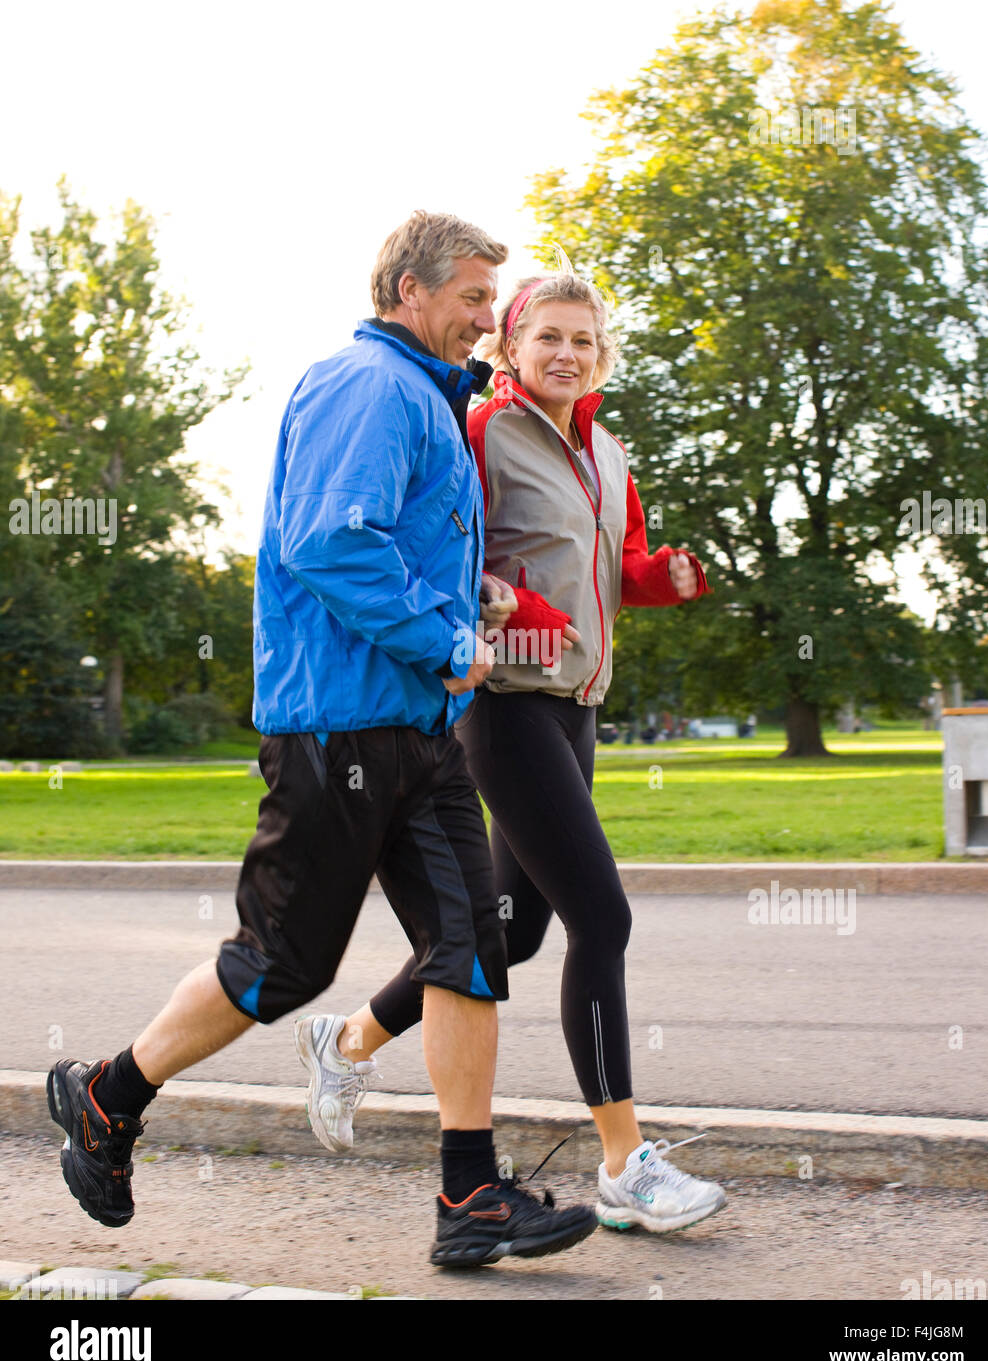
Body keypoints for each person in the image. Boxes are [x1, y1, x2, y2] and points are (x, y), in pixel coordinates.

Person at [46, 214, 599, 1270]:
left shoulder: (427, 402)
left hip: (423, 729)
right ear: (408, 289)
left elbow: (386, 540)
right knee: (282, 965)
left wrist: (470, 598)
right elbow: (329, 541)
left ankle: (470, 1195)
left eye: (494, 300)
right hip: (340, 725)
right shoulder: (369, 385)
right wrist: (444, 637)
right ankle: (108, 1096)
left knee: (471, 945)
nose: (493, 319)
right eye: (477, 298)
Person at [294, 269, 728, 1235]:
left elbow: (611, 569)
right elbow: (448, 548)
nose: (566, 354)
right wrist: (506, 605)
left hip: (575, 708)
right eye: (548, 339)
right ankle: (626, 1164)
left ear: (601, 355)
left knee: (512, 933)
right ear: (512, 348)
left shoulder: (609, 452)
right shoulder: (484, 431)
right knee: (602, 921)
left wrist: (660, 577)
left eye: (584, 340)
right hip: (506, 706)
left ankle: (348, 1039)